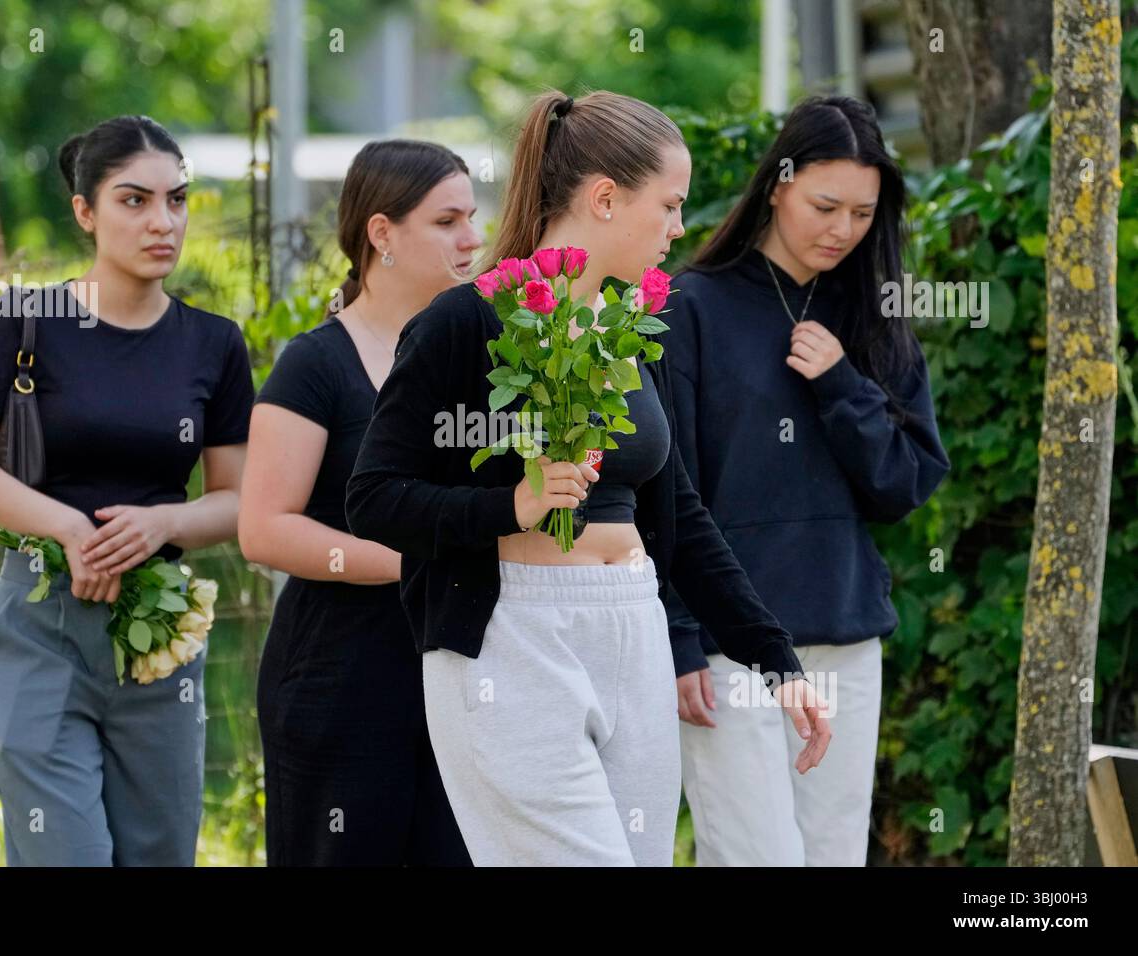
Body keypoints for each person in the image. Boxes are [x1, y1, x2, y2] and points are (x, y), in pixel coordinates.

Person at [345, 90, 831, 867]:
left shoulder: (632, 330)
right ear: (605, 197)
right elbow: (372, 498)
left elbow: (681, 516)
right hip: (509, 642)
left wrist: (775, 659)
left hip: (630, 627)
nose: (680, 227)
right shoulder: (462, 323)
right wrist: (513, 505)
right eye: (670, 205)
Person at [0, 115, 255, 865]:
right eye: (133, 201)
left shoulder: (214, 343)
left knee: (160, 852)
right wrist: (71, 529)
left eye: (177, 200)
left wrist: (160, 524)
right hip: (38, 628)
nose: (162, 221)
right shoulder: (25, 321)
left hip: (162, 638)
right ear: (85, 212)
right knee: (62, 854)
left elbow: (237, 500)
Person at [663, 94, 950, 866]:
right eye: (826, 205)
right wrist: (682, 637)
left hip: (846, 641)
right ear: (778, 184)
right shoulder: (695, 308)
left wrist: (842, 386)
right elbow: (670, 488)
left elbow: (904, 484)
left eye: (862, 213)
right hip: (734, 646)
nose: (842, 230)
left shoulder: (873, 316)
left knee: (831, 859)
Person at [240, 139, 481, 865]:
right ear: (381, 234)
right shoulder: (317, 364)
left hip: (459, 679)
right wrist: (410, 562)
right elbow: (264, 528)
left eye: (473, 216)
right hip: (340, 681)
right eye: (446, 222)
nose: (472, 238)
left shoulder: (481, 359)